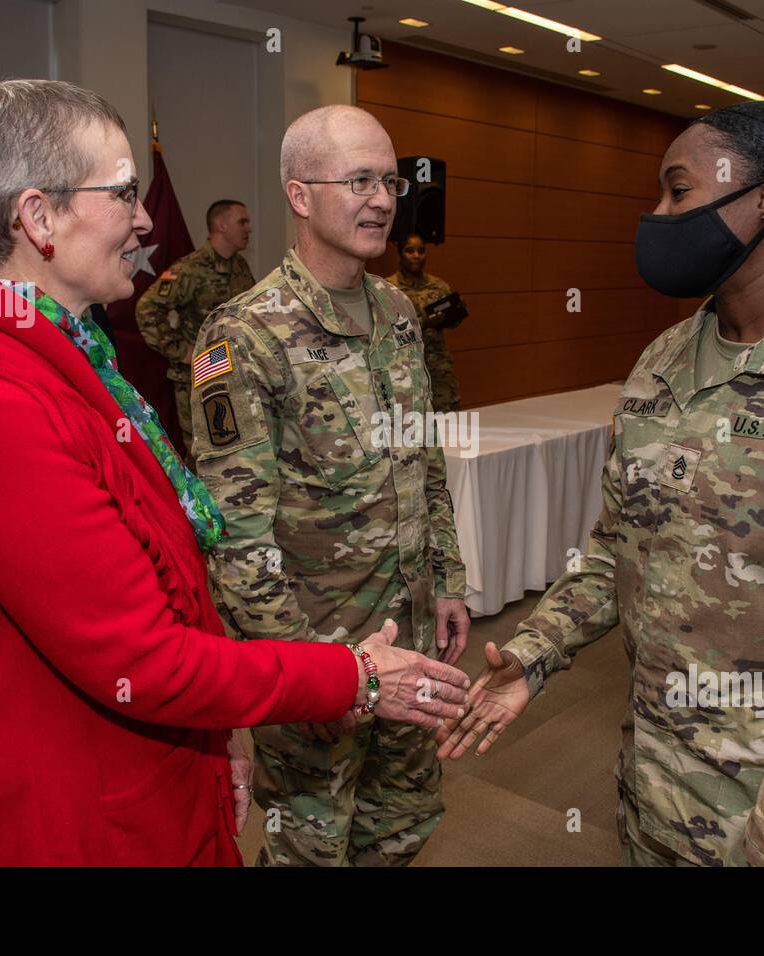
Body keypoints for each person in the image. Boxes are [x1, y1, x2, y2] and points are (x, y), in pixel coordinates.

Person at [0, 80, 469, 866]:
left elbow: (166, 569)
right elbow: (145, 654)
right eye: (124, 192)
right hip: (68, 819)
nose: (149, 217)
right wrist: (346, 677)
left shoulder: (69, 362)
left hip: (148, 769)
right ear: (39, 217)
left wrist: (214, 737)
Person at [439, 101, 764, 867]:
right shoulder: (663, 361)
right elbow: (615, 550)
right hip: (655, 797)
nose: (658, 216)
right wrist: (534, 652)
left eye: (678, 191)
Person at [190, 105, 470, 867]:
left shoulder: (400, 315)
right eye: (358, 181)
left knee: (401, 824)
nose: (382, 199)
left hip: (407, 638)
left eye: (389, 180)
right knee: (311, 846)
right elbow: (237, 542)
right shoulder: (243, 335)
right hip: (316, 654)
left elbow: (425, 460)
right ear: (300, 194)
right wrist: (310, 676)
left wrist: (446, 578)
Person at [136, 198, 255, 445]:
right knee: (203, 452)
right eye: (242, 222)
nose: (248, 228)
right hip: (198, 380)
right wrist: (182, 351)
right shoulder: (190, 268)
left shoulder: (240, 266)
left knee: (235, 448)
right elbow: (147, 308)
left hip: (235, 374)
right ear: (221, 226)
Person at [386, 233, 464, 412]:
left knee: (448, 420)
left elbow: (450, 324)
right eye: (409, 251)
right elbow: (388, 330)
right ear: (400, 255)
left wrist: (456, 313)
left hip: (437, 366)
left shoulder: (438, 286)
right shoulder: (389, 288)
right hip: (405, 367)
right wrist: (425, 322)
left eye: (420, 251)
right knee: (409, 422)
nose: (416, 256)